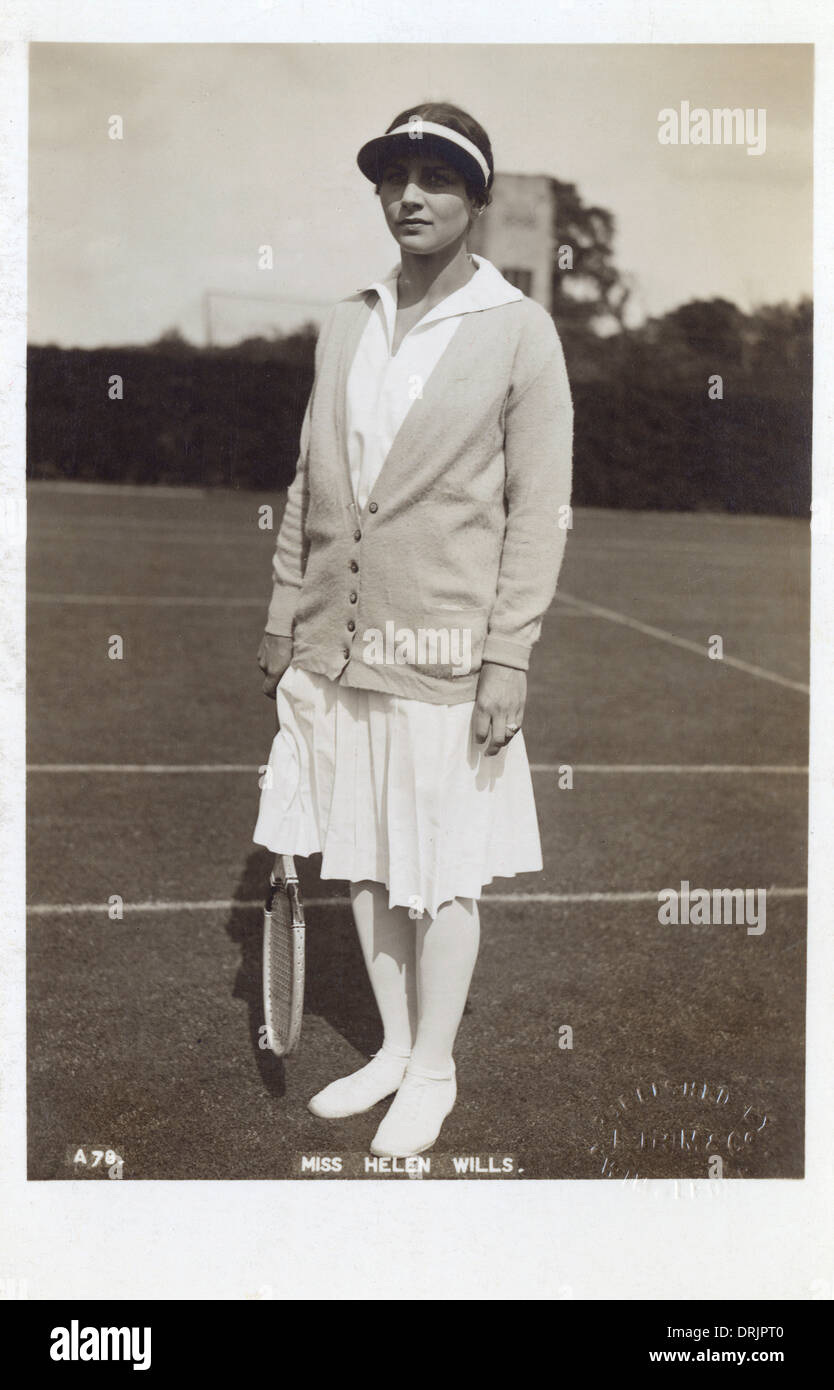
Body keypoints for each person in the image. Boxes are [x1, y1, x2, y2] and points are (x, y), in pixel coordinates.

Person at [254, 101, 573, 1158]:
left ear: (477, 199)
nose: (411, 196)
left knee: (443, 871)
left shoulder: (519, 330)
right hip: (340, 647)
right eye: (396, 176)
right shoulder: (348, 319)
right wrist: (281, 620)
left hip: (447, 653)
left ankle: (433, 1067)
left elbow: (538, 510)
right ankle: (392, 1048)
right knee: (368, 861)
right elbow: (313, 482)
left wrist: (508, 653)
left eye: (437, 178)